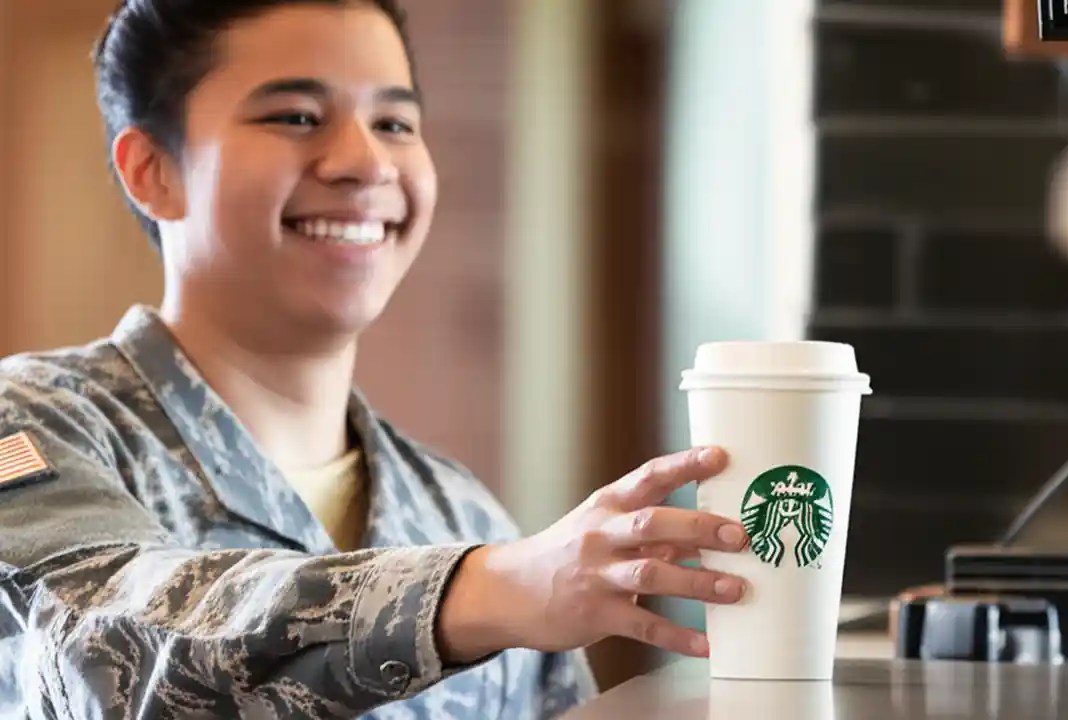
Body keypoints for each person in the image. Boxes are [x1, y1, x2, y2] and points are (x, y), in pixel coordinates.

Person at [0, 1, 750, 717]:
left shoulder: (460, 513)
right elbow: (101, 647)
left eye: (394, 122)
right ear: (152, 170)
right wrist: (485, 590)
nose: (365, 161)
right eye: (295, 116)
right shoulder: (32, 426)